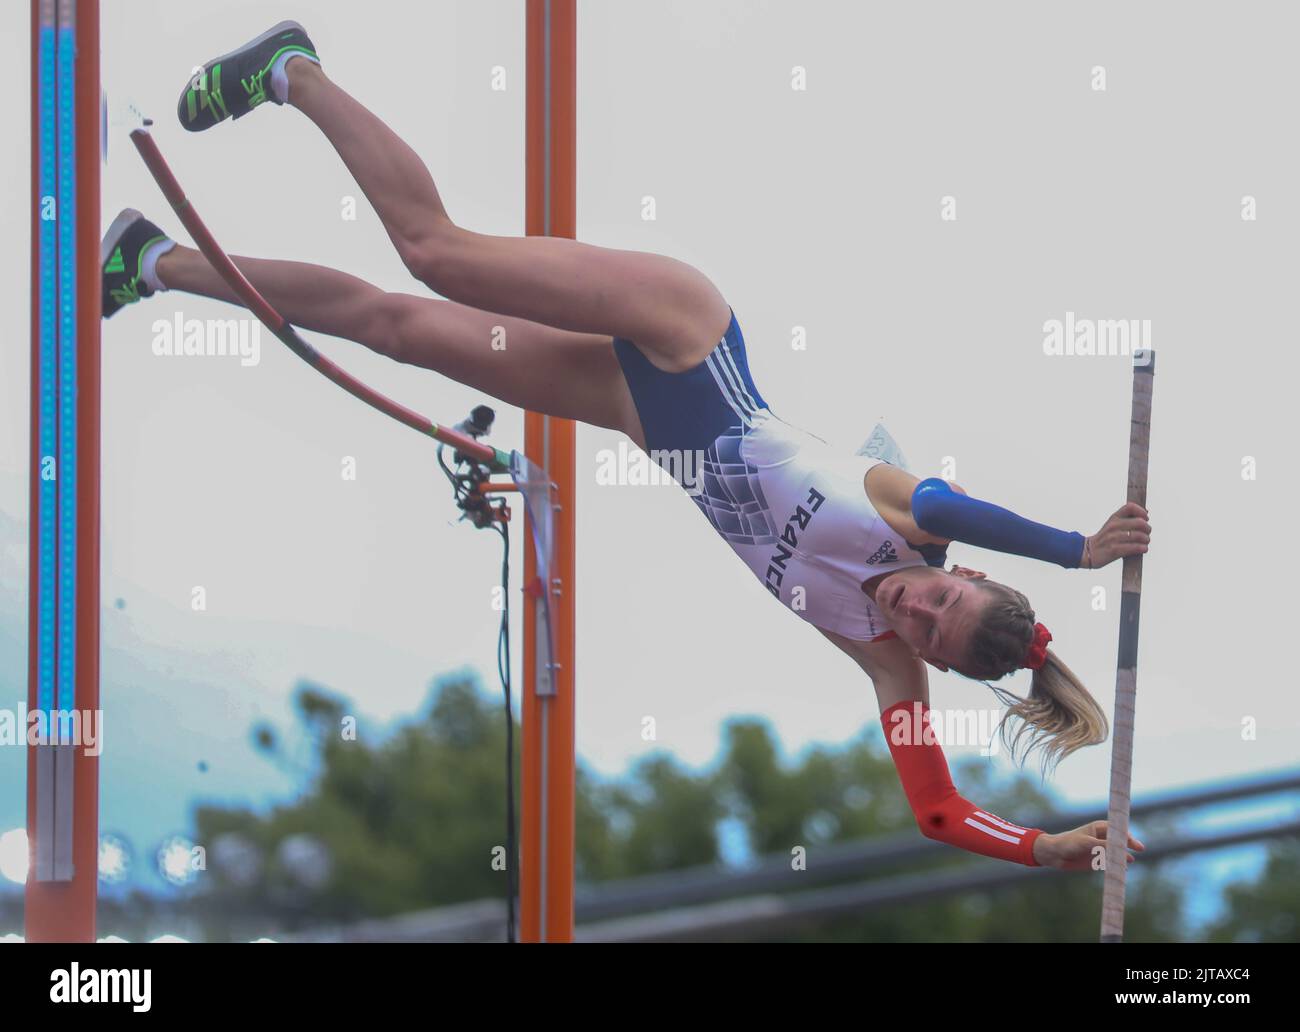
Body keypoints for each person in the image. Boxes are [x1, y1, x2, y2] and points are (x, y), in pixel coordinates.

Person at [102, 20, 1148, 871]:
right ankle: (292, 72)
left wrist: (1041, 848)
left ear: (926, 659)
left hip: (633, 411)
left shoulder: (884, 667)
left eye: (927, 629)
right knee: (438, 255)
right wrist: (1075, 549)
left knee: (396, 329)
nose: (910, 607)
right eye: (938, 595)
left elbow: (933, 810)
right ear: (956, 572)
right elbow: (969, 513)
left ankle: (152, 262)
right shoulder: (911, 520)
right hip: (682, 335)